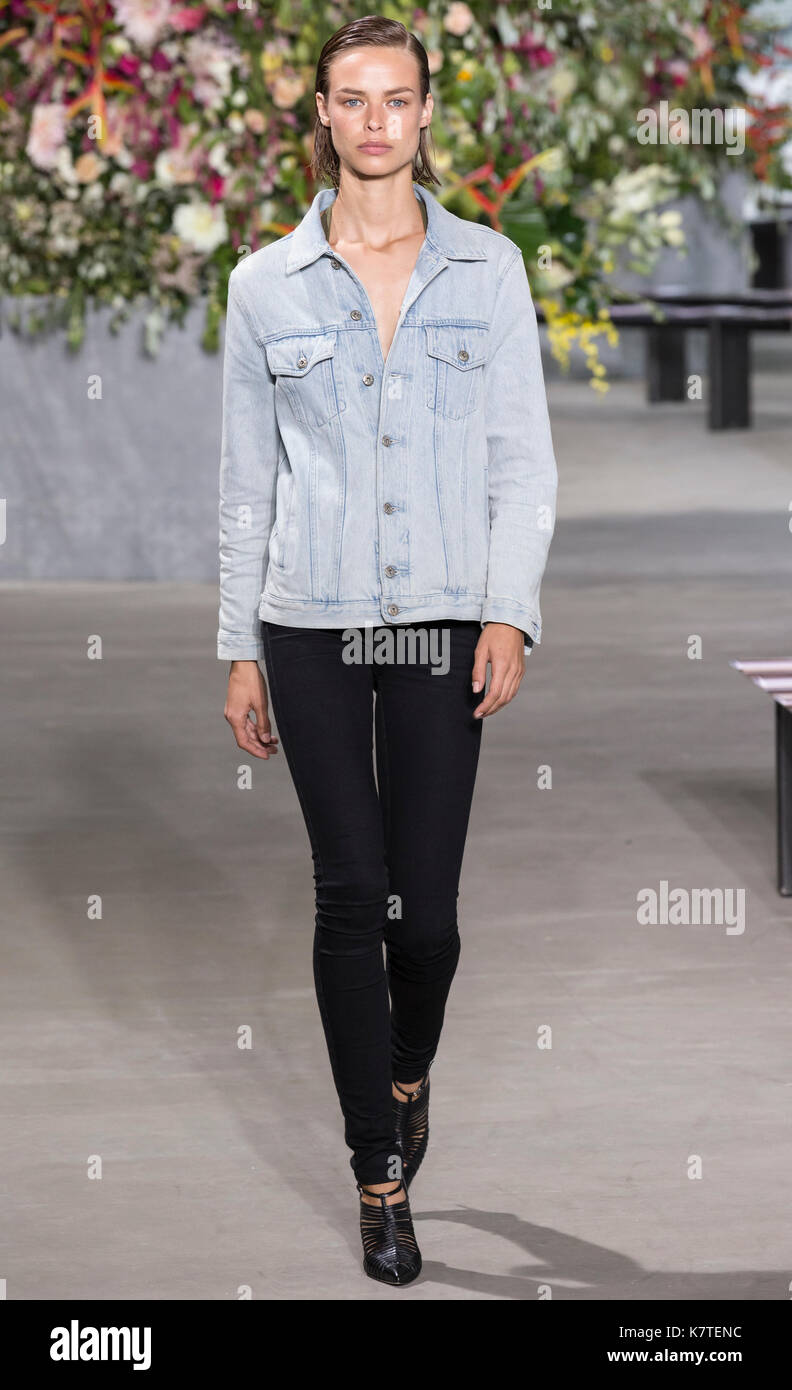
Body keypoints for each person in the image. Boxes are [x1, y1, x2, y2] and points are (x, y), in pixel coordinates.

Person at [217, 14, 557, 1288]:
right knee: (351, 895)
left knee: (429, 918)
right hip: (307, 618)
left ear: (424, 114)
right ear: (322, 113)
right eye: (351, 97)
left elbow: (521, 456)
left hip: (438, 618)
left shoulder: (490, 268)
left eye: (394, 98)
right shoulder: (264, 282)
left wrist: (511, 609)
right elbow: (246, 482)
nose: (373, 119)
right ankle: (378, 1174)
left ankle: (408, 1067)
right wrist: (236, 645)